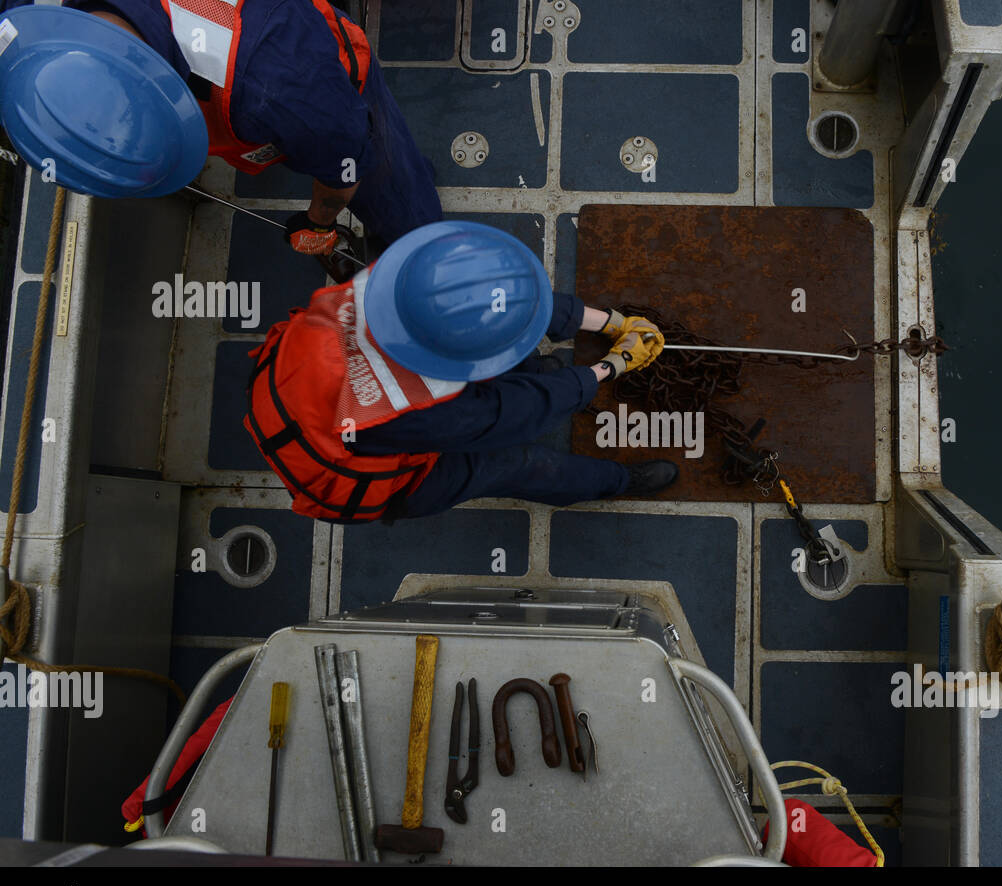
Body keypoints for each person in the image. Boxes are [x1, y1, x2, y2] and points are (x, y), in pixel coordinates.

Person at [244, 220, 680, 521]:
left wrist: (609, 321)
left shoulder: (404, 282)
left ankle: (538, 369)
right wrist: (609, 367)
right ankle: (618, 482)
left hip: (296, 381)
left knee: (518, 374)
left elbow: (506, 294)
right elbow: (515, 412)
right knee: (520, 462)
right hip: (366, 467)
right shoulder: (423, 410)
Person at [0, 1, 439, 257]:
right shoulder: (27, 17)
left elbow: (342, 172)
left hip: (317, 83)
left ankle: (419, 256)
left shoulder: (282, 86)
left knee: (392, 193)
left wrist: (319, 222)